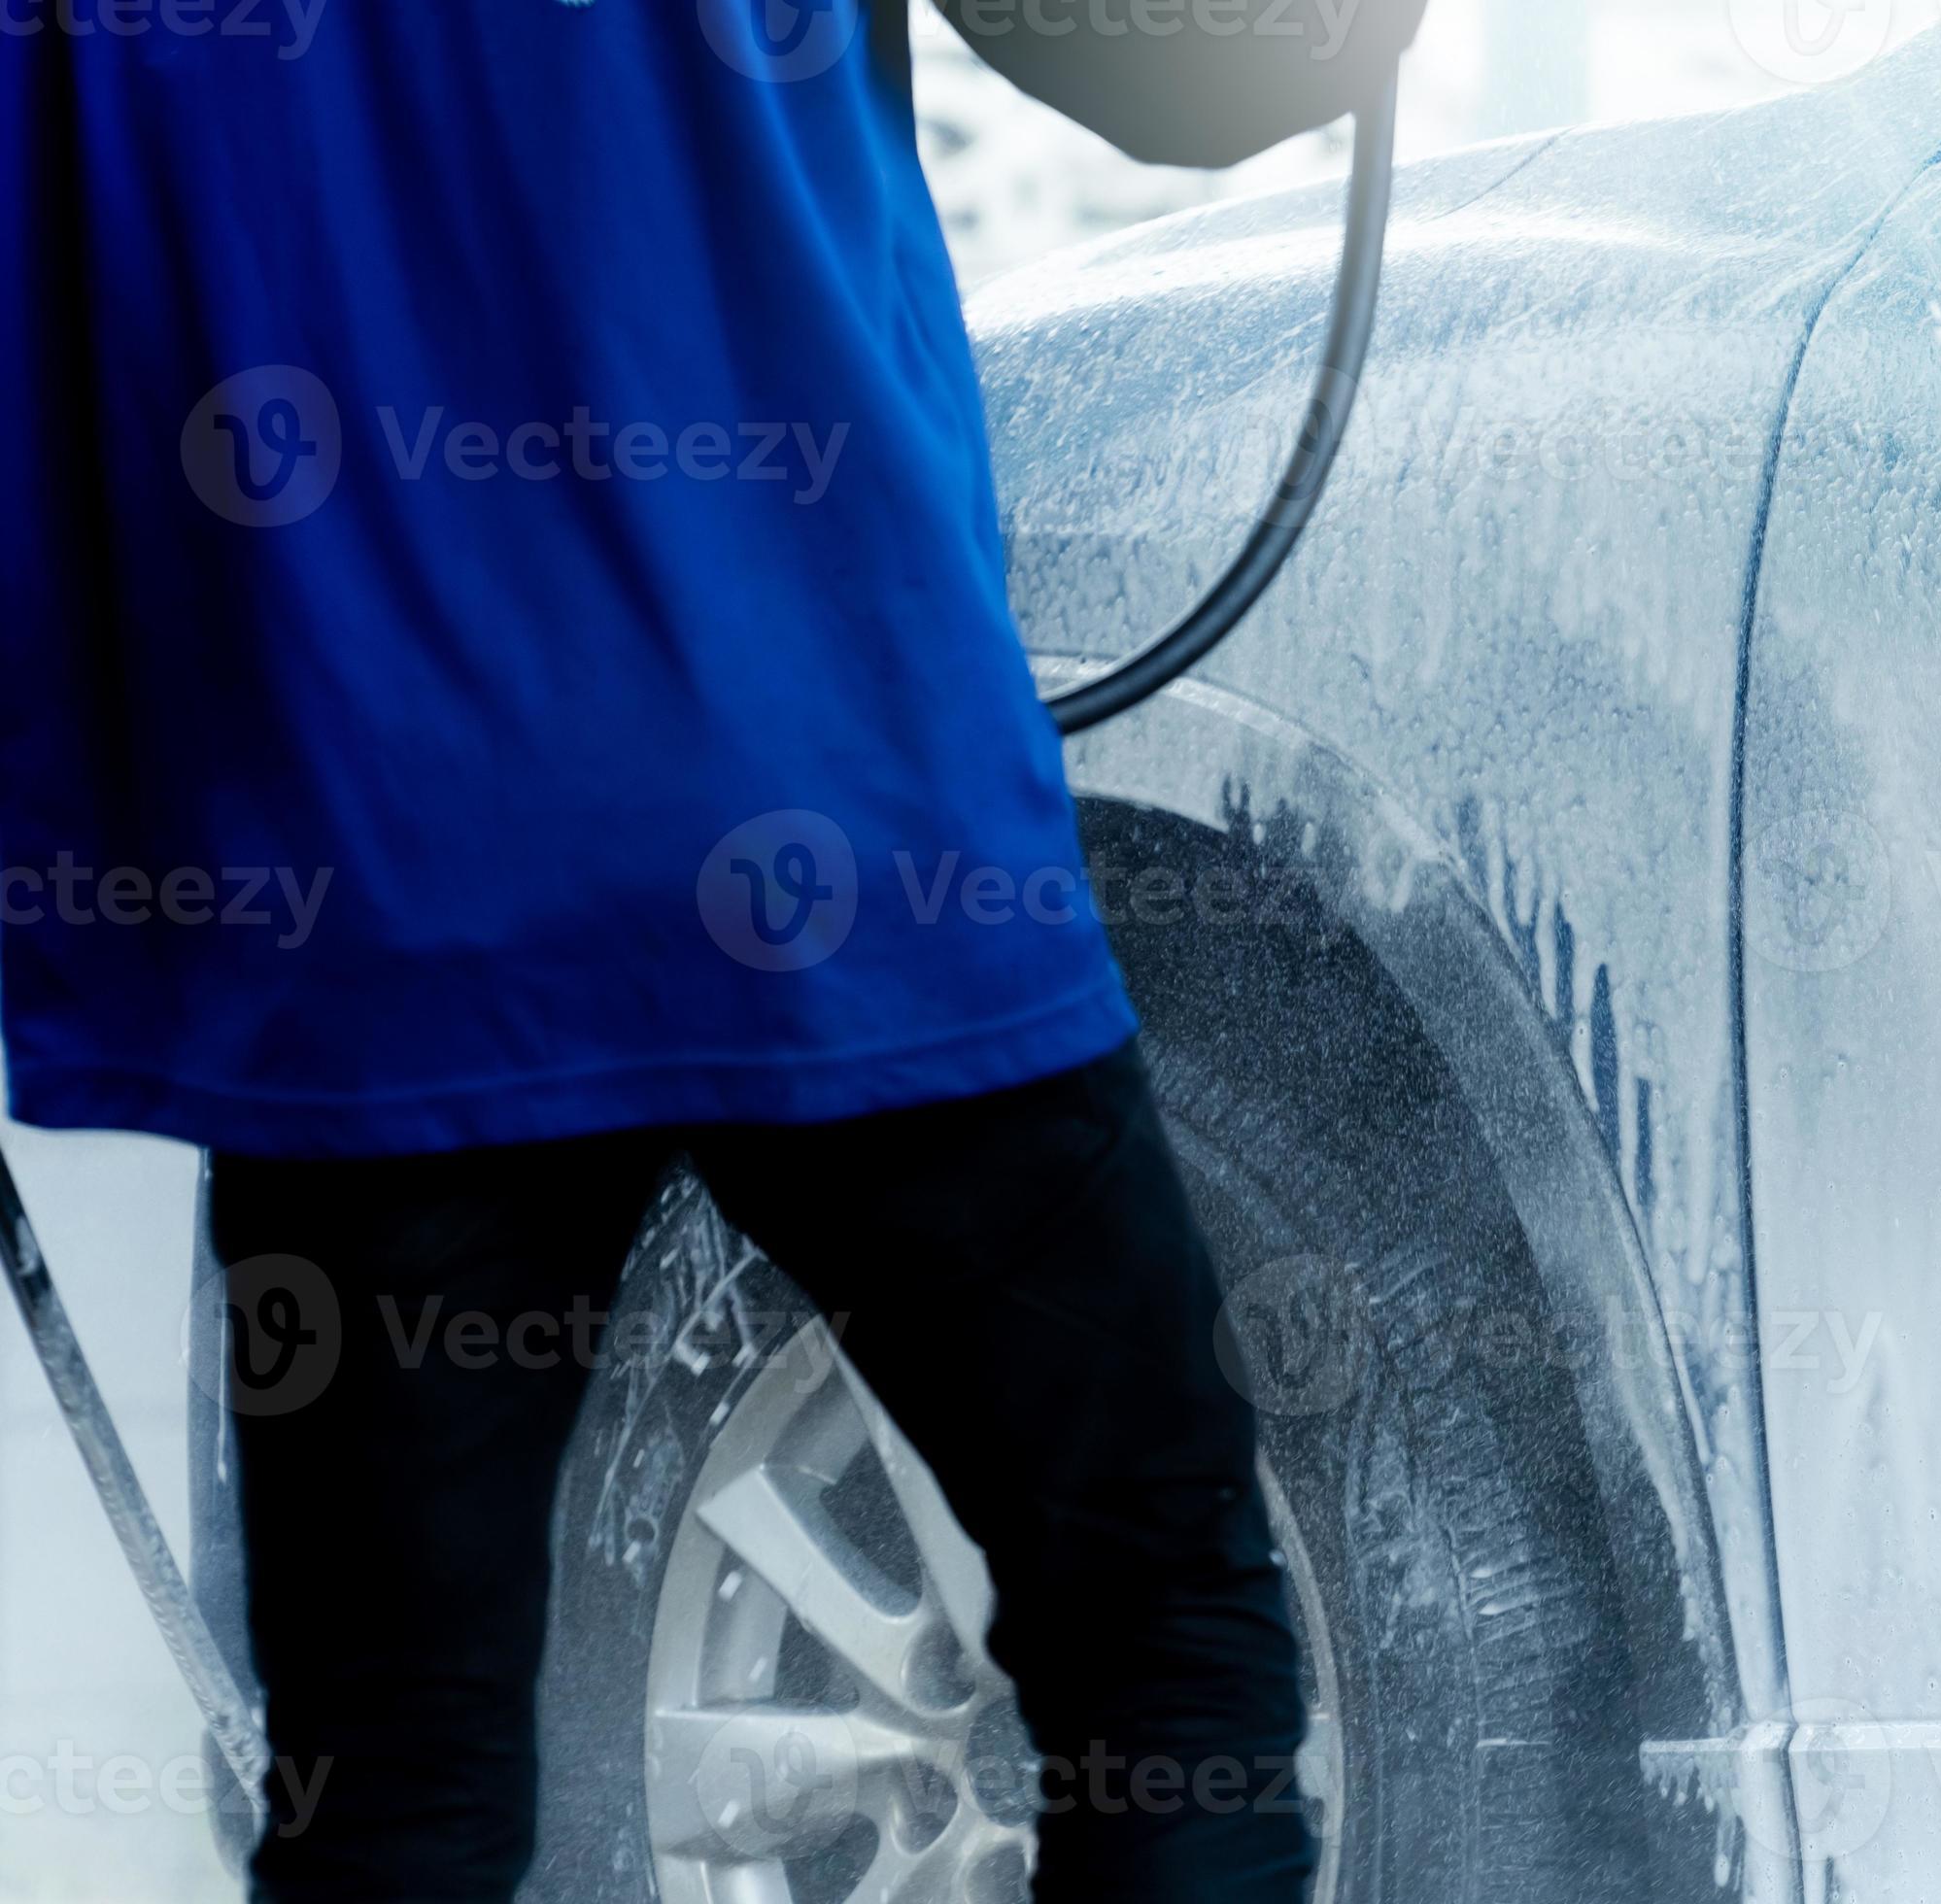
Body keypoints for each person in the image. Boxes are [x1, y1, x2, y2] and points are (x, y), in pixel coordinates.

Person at [0, 0, 1415, 1897]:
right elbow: (1187, 63)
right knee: (1162, 1658)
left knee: (393, 1778)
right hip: (847, 836)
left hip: (374, 894)